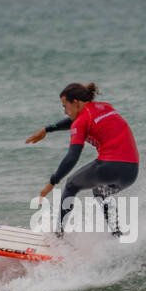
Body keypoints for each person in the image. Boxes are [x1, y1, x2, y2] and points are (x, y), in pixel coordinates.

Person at [26, 82, 139, 235]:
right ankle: (117, 234)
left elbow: (72, 157)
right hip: (131, 172)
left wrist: (52, 182)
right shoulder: (106, 107)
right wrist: (47, 129)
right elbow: (76, 120)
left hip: (110, 166)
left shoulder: (80, 122)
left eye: (65, 106)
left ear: (76, 102)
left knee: (71, 185)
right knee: (100, 192)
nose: (65, 112)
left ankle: (57, 235)